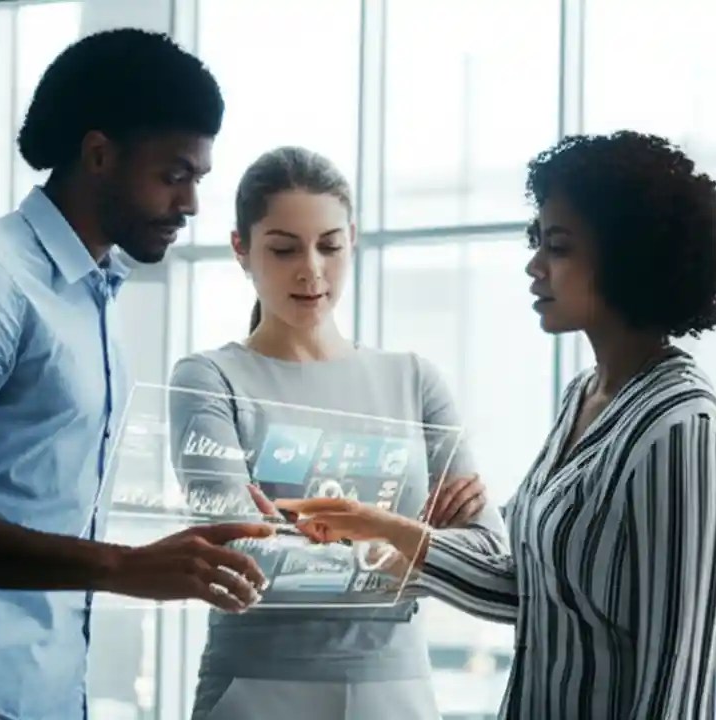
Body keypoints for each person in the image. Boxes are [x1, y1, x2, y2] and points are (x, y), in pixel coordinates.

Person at [0, 29, 274, 720]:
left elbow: (35, 486)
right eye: (174, 175)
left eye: (198, 180)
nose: (190, 204)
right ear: (99, 154)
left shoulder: (92, 294)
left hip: (42, 688)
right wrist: (126, 567)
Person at [281, 130, 716, 719]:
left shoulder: (682, 427)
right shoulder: (582, 397)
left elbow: (676, 673)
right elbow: (528, 592)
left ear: (627, 257)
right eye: (538, 242)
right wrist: (381, 528)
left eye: (558, 247)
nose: (535, 266)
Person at [167, 146, 504, 720]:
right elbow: (240, 556)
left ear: (353, 240)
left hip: (397, 693)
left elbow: (489, 559)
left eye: (329, 245)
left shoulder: (414, 380)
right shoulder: (210, 380)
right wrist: (413, 540)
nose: (311, 270)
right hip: (255, 690)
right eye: (283, 249)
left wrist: (298, 540)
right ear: (241, 249)